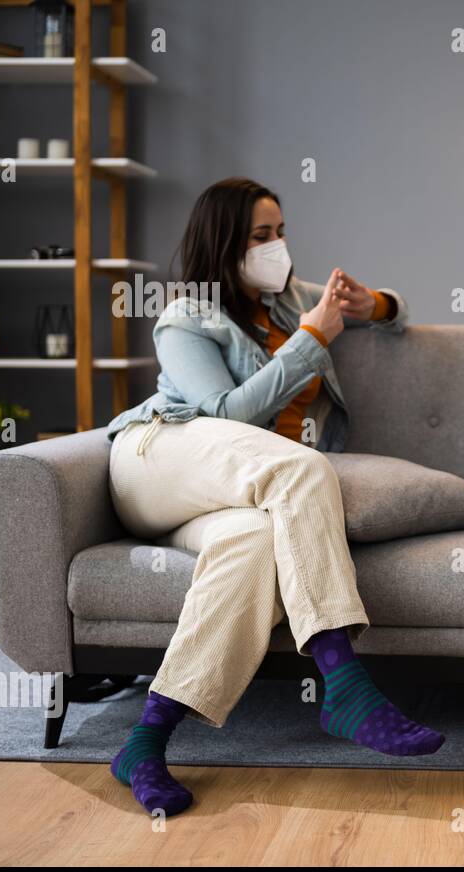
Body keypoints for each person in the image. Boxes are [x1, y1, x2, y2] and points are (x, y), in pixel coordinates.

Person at [105, 177, 443, 818]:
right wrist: (312, 341)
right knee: (305, 470)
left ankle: (145, 742)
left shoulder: (289, 302)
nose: (278, 245)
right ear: (225, 243)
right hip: (162, 461)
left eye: (281, 231)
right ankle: (343, 681)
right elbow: (226, 413)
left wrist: (371, 304)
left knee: (255, 544)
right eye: (261, 236)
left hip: (236, 495)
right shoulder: (185, 316)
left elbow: (397, 312)